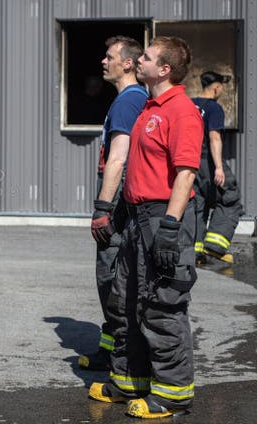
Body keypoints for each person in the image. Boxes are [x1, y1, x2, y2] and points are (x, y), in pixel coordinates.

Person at [88, 37, 203, 419]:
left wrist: (170, 225)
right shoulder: (148, 107)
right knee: (128, 301)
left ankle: (172, 395)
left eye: (148, 57)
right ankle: (130, 380)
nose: (141, 60)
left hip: (162, 218)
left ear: (165, 69)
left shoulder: (181, 111)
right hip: (137, 218)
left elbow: (186, 173)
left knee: (162, 307)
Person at [80, 36, 146, 371]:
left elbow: (117, 160)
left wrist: (102, 209)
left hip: (117, 199)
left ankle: (124, 352)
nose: (103, 62)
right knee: (113, 275)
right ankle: (111, 349)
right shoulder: (130, 99)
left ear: (128, 63)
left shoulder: (127, 101)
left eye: (109, 57)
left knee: (111, 274)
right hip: (121, 196)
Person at [191, 71, 243, 264]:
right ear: (216, 87)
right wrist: (219, 167)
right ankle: (215, 246)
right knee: (230, 198)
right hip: (207, 161)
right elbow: (214, 137)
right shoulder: (214, 108)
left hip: (189, 161)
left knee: (197, 203)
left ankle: (195, 250)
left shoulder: (189, 104)